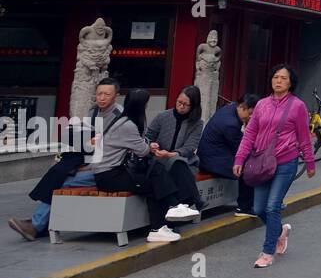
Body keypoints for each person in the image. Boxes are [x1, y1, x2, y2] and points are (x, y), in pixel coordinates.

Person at [11, 77, 122, 241]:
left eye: (107, 94)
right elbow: (86, 140)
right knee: (59, 171)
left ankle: (36, 225)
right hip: (89, 160)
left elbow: (114, 151)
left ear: (116, 96)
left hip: (107, 169)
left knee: (64, 181)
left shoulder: (119, 116)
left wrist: (89, 163)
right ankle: (39, 223)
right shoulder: (93, 112)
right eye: (99, 94)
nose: (102, 98)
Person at [233, 64, 316, 269]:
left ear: (290, 83)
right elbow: (250, 134)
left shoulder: (297, 106)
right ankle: (279, 232)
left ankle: (267, 251)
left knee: (272, 206)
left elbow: (304, 137)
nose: (278, 81)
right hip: (262, 162)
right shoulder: (261, 105)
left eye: (283, 78)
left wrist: (310, 162)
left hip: (286, 162)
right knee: (259, 207)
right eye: (275, 77)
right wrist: (239, 159)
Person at [90, 88, 194, 244]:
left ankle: (168, 215)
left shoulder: (121, 121)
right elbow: (143, 151)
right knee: (154, 182)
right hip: (108, 176)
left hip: (111, 172)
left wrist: (147, 145)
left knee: (155, 174)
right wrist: (149, 147)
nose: (146, 108)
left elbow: (139, 146)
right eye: (146, 104)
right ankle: (159, 226)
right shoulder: (128, 126)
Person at [142, 85, 205, 220]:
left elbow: (189, 147)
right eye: (179, 102)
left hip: (184, 161)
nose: (181, 106)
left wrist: (172, 154)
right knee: (175, 165)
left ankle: (176, 213)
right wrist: (152, 145)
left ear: (193, 106)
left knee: (177, 162)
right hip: (159, 159)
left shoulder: (197, 123)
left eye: (185, 104)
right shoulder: (163, 116)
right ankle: (195, 201)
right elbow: (148, 136)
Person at [198, 93, 259, 215]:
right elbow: (241, 150)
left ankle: (252, 202)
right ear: (242, 107)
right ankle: (244, 207)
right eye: (250, 113)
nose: (251, 117)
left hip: (216, 153)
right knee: (249, 168)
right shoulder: (230, 124)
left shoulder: (231, 108)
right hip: (212, 161)